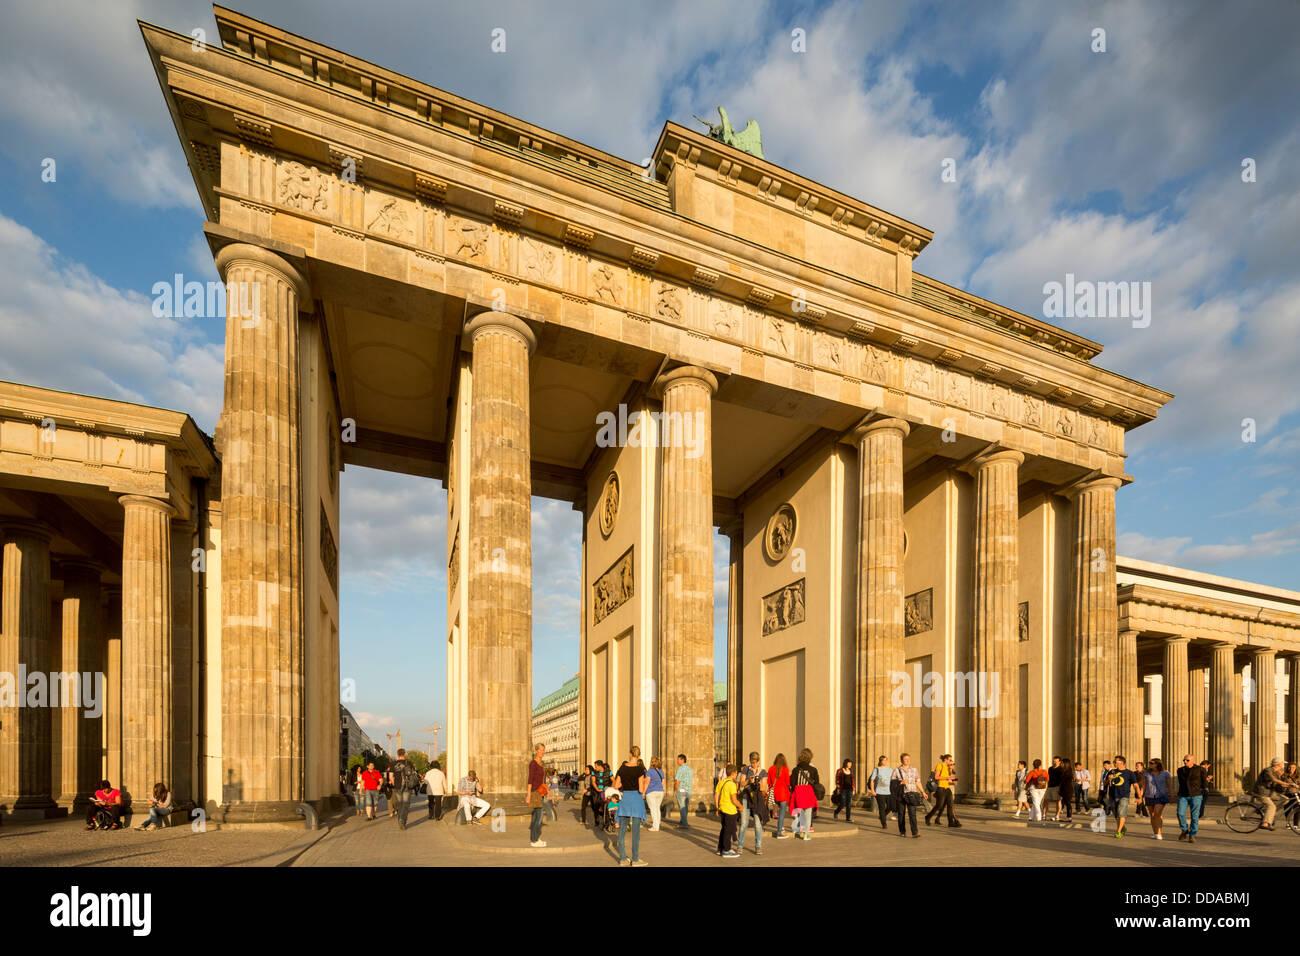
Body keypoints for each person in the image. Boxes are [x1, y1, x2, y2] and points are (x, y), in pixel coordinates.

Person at [615, 746, 648, 865]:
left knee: (622, 830)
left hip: (626, 799)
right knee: (635, 832)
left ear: (629, 754)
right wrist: (646, 783)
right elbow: (640, 788)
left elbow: (616, 785)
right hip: (636, 800)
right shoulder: (640, 770)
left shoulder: (622, 768)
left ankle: (623, 858)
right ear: (639, 756)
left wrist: (625, 782)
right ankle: (635, 859)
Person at [736, 751, 769, 854]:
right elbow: (741, 783)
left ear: (758, 761)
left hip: (757, 799)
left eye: (755, 762)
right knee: (744, 823)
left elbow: (764, 788)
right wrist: (748, 781)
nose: (753, 764)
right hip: (746, 797)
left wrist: (759, 783)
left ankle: (758, 846)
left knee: (758, 824)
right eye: (752, 762)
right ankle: (740, 846)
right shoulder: (746, 769)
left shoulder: (763, 772)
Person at [890, 752, 928, 838]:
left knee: (912, 814)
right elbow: (892, 784)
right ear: (901, 760)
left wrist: (923, 792)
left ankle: (915, 832)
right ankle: (902, 831)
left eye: (908, 759)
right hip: (901, 795)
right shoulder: (896, 770)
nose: (907, 761)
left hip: (912, 795)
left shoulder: (914, 769)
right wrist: (900, 782)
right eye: (905, 759)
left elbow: (917, 781)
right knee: (901, 814)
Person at [1105, 755, 1142, 838]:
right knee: (1116, 815)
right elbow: (1105, 783)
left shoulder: (1129, 773)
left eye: (1115, 762)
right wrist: (1109, 779)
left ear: (1121, 763)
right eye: (1114, 762)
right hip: (1112, 795)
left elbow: (1135, 785)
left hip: (1124, 795)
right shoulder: (1112, 772)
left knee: (1121, 813)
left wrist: (1139, 797)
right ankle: (1123, 828)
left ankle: (1118, 831)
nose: (1114, 763)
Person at [1175, 754, 1207, 844]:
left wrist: (1201, 790)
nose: (1185, 762)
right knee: (1180, 813)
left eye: (1187, 760)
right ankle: (1184, 830)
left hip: (1196, 795)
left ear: (1193, 761)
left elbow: (1204, 782)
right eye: (1184, 760)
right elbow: (1181, 782)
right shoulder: (1180, 770)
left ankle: (1192, 835)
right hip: (1183, 795)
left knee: (1195, 816)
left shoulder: (1200, 769)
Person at [1254, 757, 1292, 830]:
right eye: (1282, 763)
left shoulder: (1277, 772)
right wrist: (1283, 783)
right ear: (1278, 764)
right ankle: (1265, 823)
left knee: (1285, 799)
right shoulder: (1268, 770)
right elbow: (1273, 779)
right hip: (1261, 792)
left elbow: (1277, 783)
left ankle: (1265, 811)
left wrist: (1289, 784)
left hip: (1270, 793)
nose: (1283, 764)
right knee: (1272, 806)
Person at [790, 748, 821, 840]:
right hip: (808, 792)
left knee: (798, 812)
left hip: (798, 791)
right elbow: (817, 782)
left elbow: (792, 782)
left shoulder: (796, 769)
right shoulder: (813, 769)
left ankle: (799, 828)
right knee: (808, 814)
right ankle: (806, 834)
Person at [925, 754, 960, 827]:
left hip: (947, 788)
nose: (951, 762)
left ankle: (951, 822)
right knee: (939, 805)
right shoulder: (939, 765)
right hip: (940, 788)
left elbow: (952, 779)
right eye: (950, 760)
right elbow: (936, 777)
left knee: (950, 805)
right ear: (946, 760)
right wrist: (947, 778)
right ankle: (928, 817)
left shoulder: (948, 767)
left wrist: (951, 772)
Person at [388, 748, 419, 830]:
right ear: (404, 754)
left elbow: (390, 777)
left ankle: (400, 820)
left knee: (400, 804)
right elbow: (414, 774)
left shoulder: (393, 763)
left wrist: (395, 784)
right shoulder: (408, 763)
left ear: (397, 754)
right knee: (406, 804)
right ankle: (402, 820)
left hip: (397, 787)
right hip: (407, 786)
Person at [715, 763, 741, 858]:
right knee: (728, 831)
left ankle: (720, 848)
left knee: (724, 829)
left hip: (722, 809)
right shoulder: (732, 784)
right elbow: (734, 800)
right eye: (736, 774)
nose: (736, 776)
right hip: (730, 810)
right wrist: (740, 806)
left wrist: (717, 807)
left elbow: (716, 795)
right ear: (733, 773)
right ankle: (726, 850)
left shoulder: (721, 782)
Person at [1143, 757, 1171, 839]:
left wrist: (1172, 795)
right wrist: (1140, 795)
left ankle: (1159, 833)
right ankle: (1155, 833)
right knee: (1152, 815)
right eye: (1149, 763)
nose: (1150, 765)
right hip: (1149, 795)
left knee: (1157, 814)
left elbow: (1169, 785)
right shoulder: (1146, 773)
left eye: (1152, 763)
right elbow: (1144, 785)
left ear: (1157, 764)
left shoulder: (1165, 773)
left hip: (1161, 796)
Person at [526, 743, 548, 847]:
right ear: (536, 751)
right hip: (535, 792)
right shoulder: (533, 764)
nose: (543, 752)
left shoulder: (541, 763)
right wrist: (528, 795)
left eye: (544, 750)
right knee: (538, 817)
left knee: (536, 816)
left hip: (541, 792)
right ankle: (534, 840)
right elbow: (530, 780)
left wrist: (547, 790)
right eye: (541, 750)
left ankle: (534, 839)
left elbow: (542, 780)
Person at [768, 752, 792, 837]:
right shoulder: (785, 769)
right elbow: (788, 782)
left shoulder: (771, 768)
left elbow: (769, 782)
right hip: (783, 794)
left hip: (774, 794)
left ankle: (780, 827)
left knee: (777, 813)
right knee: (781, 814)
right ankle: (779, 832)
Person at [869, 755, 894, 829]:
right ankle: (884, 823)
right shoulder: (876, 770)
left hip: (889, 792)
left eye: (886, 760)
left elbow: (893, 780)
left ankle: (882, 816)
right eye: (883, 760)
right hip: (879, 792)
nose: (885, 762)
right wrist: (873, 790)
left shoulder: (890, 770)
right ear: (880, 761)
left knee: (891, 806)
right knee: (881, 808)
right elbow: (872, 780)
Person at [645, 756, 666, 831]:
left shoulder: (650, 771)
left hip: (651, 792)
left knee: (653, 809)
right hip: (660, 791)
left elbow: (647, 782)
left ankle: (655, 826)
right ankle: (658, 823)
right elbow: (663, 782)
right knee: (657, 808)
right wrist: (660, 788)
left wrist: (644, 792)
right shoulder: (661, 771)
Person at [673, 754, 693, 830]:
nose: (677, 761)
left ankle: (685, 823)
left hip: (681, 789)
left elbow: (677, 781)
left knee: (682, 807)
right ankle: (683, 820)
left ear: (682, 760)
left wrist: (675, 789)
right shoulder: (690, 769)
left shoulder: (680, 769)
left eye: (678, 759)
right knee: (685, 806)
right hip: (688, 790)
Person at [833, 758, 854, 823]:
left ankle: (848, 818)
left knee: (849, 804)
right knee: (843, 803)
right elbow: (837, 779)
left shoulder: (851, 771)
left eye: (851, 763)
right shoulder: (840, 770)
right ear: (846, 763)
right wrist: (838, 788)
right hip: (843, 789)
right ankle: (836, 812)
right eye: (849, 763)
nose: (850, 764)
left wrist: (853, 789)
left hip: (850, 789)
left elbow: (852, 780)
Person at [1055, 758, 1074, 823]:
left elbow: (1065, 781)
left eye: (1062, 763)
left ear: (1065, 764)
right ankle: (1068, 817)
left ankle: (1069, 817)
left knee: (1068, 803)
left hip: (1067, 789)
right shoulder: (1065, 771)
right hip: (1065, 789)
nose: (1061, 764)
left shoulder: (1068, 771)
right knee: (1067, 803)